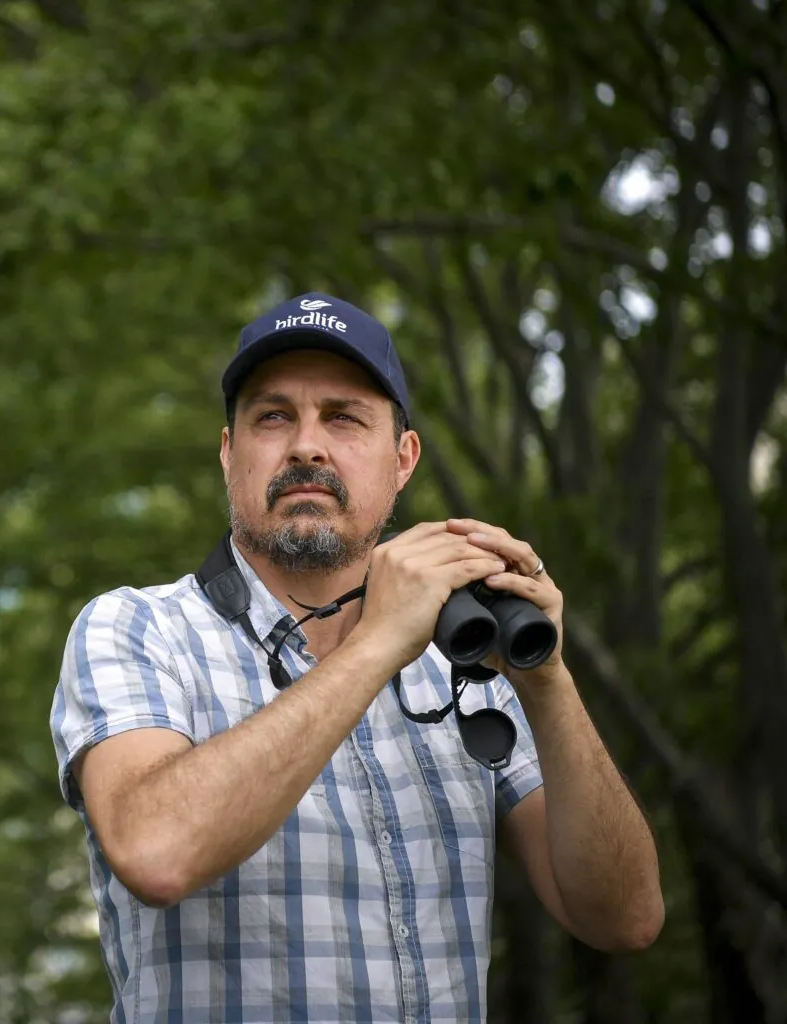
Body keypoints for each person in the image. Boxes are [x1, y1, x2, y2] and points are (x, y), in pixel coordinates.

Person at [48, 292, 664, 1023]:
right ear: (228, 453)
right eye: (273, 417)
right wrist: (379, 641)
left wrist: (547, 681)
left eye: (344, 417)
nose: (307, 445)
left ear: (402, 460)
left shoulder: (470, 662)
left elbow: (624, 919)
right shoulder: (136, 627)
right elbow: (155, 854)